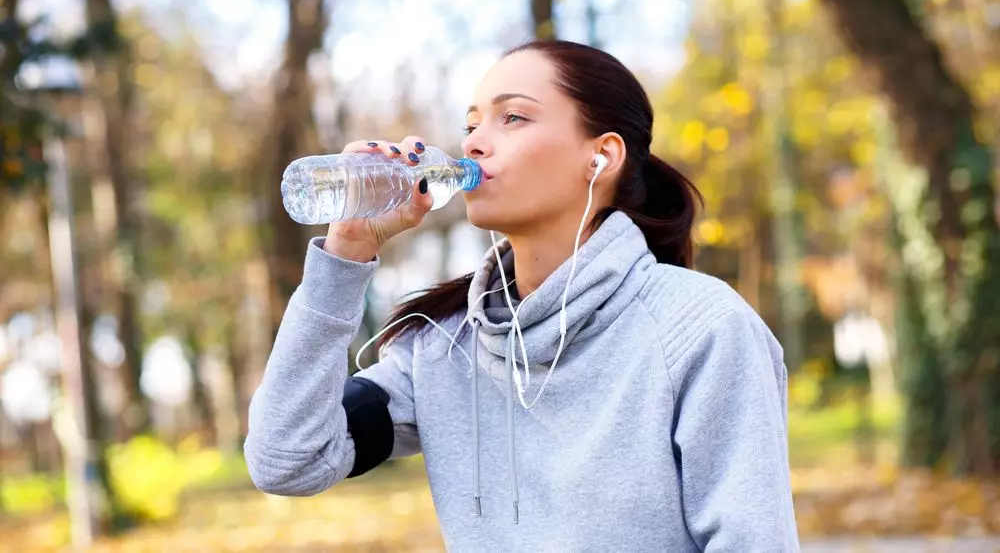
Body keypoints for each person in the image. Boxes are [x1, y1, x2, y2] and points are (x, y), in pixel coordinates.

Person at [245, 40, 800, 551]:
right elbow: (287, 461)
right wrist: (345, 253)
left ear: (601, 156)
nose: (473, 142)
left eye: (512, 117)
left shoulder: (700, 327)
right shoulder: (443, 347)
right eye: (471, 123)